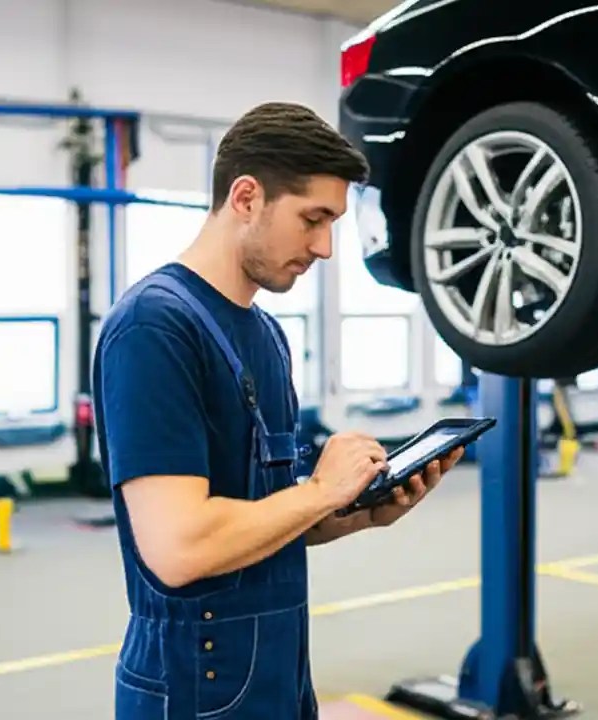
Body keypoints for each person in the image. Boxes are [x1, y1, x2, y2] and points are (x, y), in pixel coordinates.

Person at [92, 101, 465, 719]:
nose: (324, 247)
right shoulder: (154, 328)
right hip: (194, 683)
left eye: (332, 224)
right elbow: (179, 548)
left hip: (280, 673)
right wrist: (320, 491)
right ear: (246, 197)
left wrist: (356, 512)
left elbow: (263, 515)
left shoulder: (266, 335)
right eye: (312, 219)